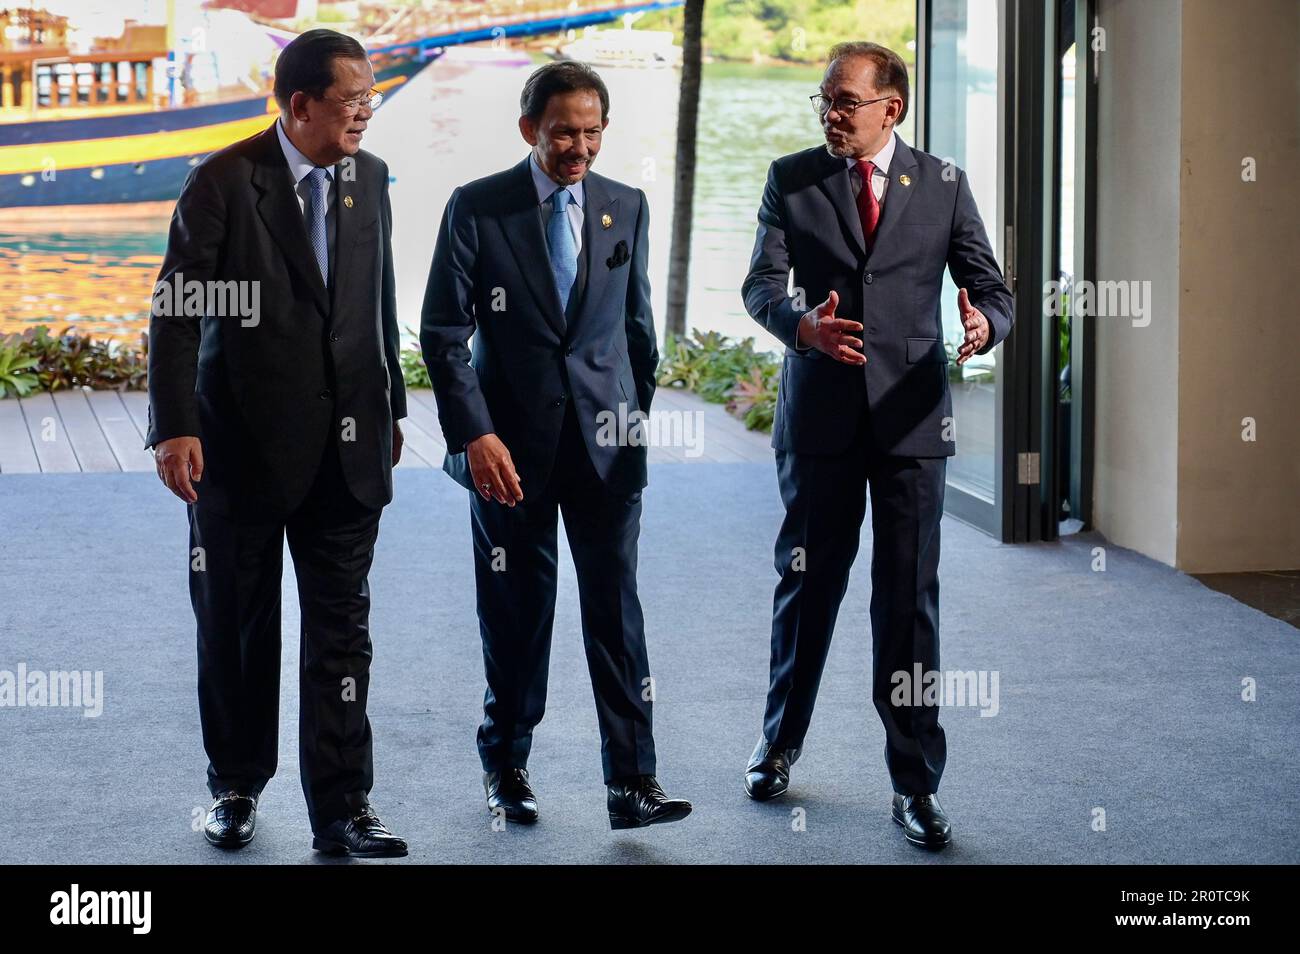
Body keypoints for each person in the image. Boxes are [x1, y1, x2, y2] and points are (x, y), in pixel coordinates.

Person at [741, 41, 1013, 849]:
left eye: (845, 101)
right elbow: (760, 285)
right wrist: (800, 327)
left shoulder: (944, 184)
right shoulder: (792, 179)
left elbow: (992, 288)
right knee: (808, 585)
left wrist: (981, 324)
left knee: (907, 604)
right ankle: (778, 743)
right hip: (820, 422)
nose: (830, 113)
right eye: (824, 99)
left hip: (911, 424)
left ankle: (915, 782)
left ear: (890, 107)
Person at [147, 28, 408, 857]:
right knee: (238, 627)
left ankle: (343, 809)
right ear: (300, 106)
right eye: (353, 100)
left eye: (370, 96)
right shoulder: (225, 180)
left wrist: (392, 404)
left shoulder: (369, 178)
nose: (367, 111)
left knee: (342, 634)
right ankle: (234, 786)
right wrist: (176, 425)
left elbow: (376, 298)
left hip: (349, 449)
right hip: (241, 449)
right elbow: (178, 309)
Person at [421, 61, 691, 830]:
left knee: (617, 613)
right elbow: (442, 334)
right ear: (528, 129)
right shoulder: (477, 208)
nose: (580, 146)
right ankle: (506, 767)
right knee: (516, 613)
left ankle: (632, 781)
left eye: (593, 131)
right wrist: (475, 434)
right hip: (509, 455)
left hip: (608, 450)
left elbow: (637, 335)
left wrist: (631, 421)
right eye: (564, 131)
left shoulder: (625, 206)